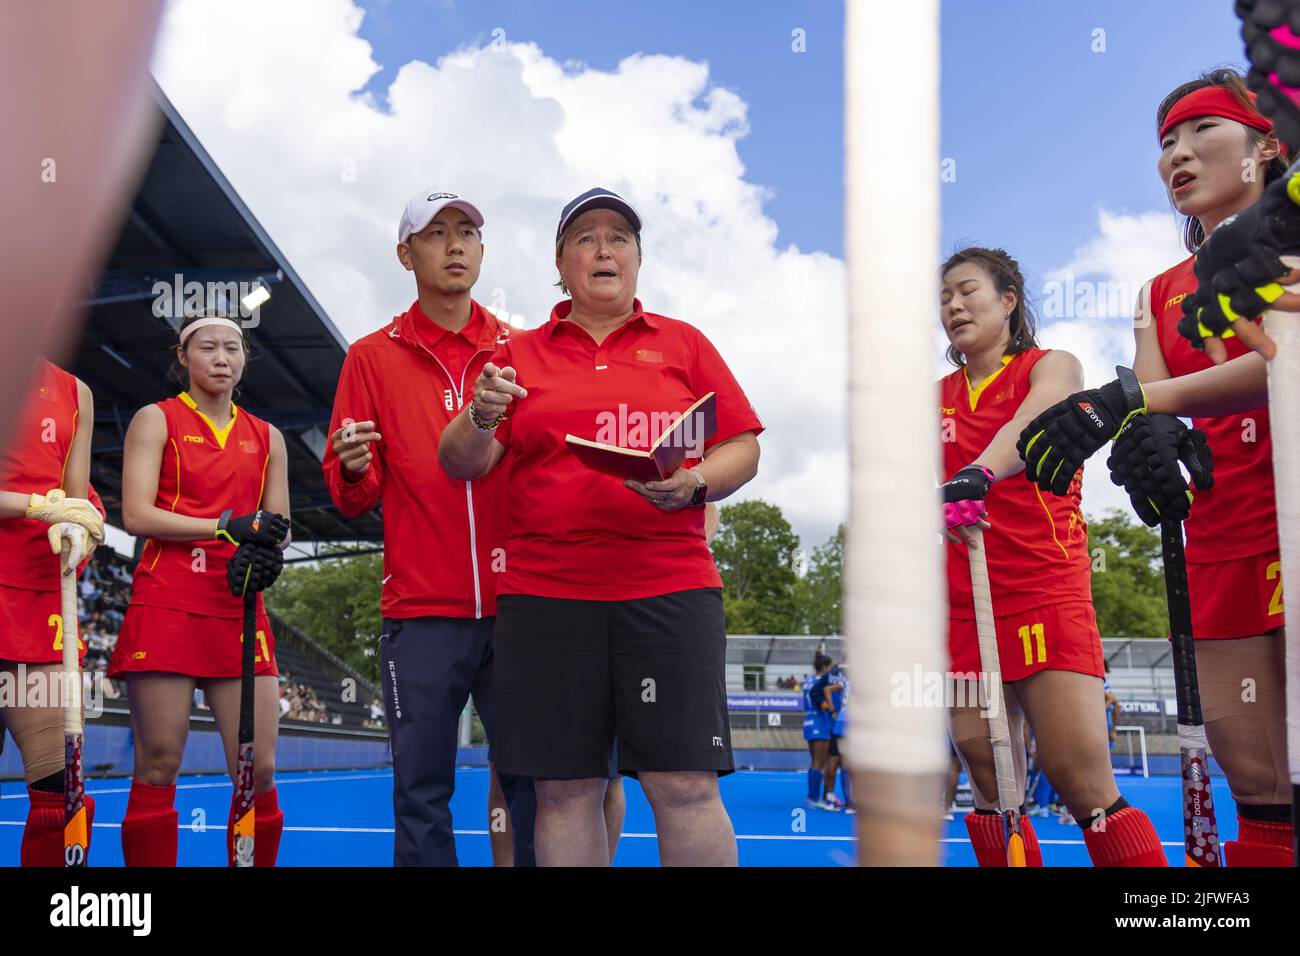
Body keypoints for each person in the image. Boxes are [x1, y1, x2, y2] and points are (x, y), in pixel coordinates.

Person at [440, 187, 763, 866]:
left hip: (670, 590)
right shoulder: (515, 354)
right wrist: (482, 415)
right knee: (565, 789)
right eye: (586, 238)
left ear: (638, 259)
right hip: (548, 597)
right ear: (562, 263)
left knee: (684, 785)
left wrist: (696, 480)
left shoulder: (685, 343)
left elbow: (744, 447)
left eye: (619, 237)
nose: (604, 249)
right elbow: (462, 463)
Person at [1018, 71, 1293, 866]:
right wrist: (1146, 437)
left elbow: (1273, 362)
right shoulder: (1157, 293)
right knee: (1260, 786)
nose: (1177, 153)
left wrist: (1128, 399)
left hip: (1293, 520)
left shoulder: (1291, 240)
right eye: (1165, 141)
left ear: (1267, 145)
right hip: (1216, 540)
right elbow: (1155, 400)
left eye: (1201, 129)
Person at [323, 188, 535, 867]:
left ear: (481, 250)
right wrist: (354, 467)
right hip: (420, 608)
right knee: (420, 792)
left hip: (521, 607)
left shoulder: (522, 349)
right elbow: (352, 495)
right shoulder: (370, 357)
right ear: (404, 253)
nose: (454, 245)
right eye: (436, 232)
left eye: (468, 231)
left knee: (534, 783)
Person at [940, 247, 1167, 867]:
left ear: (1009, 299)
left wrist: (980, 471)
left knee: (1079, 778)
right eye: (944, 299)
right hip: (964, 603)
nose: (953, 307)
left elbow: (1036, 416)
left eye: (967, 291)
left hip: (1044, 587)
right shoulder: (933, 397)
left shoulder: (1052, 366)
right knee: (990, 782)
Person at [111, 314, 290, 866]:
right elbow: (137, 514)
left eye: (232, 348)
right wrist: (224, 527)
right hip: (168, 601)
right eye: (207, 347)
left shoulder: (268, 436)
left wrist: (266, 556)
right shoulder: (155, 419)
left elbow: (276, 525)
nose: (221, 358)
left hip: (237, 606)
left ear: (243, 359)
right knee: (159, 762)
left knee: (257, 767)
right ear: (182, 357)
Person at [0, 358, 104, 865]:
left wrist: (86, 524)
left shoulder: (74, 389)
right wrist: (33, 506)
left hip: (40, 601)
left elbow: (77, 494)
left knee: (60, 789)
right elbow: (48, 499)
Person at [802, 654, 834, 810]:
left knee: (815, 761)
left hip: (808, 720)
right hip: (820, 721)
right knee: (819, 762)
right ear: (824, 667)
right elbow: (819, 698)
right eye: (829, 667)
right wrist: (828, 707)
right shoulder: (822, 682)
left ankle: (812, 796)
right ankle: (814, 798)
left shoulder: (808, 680)